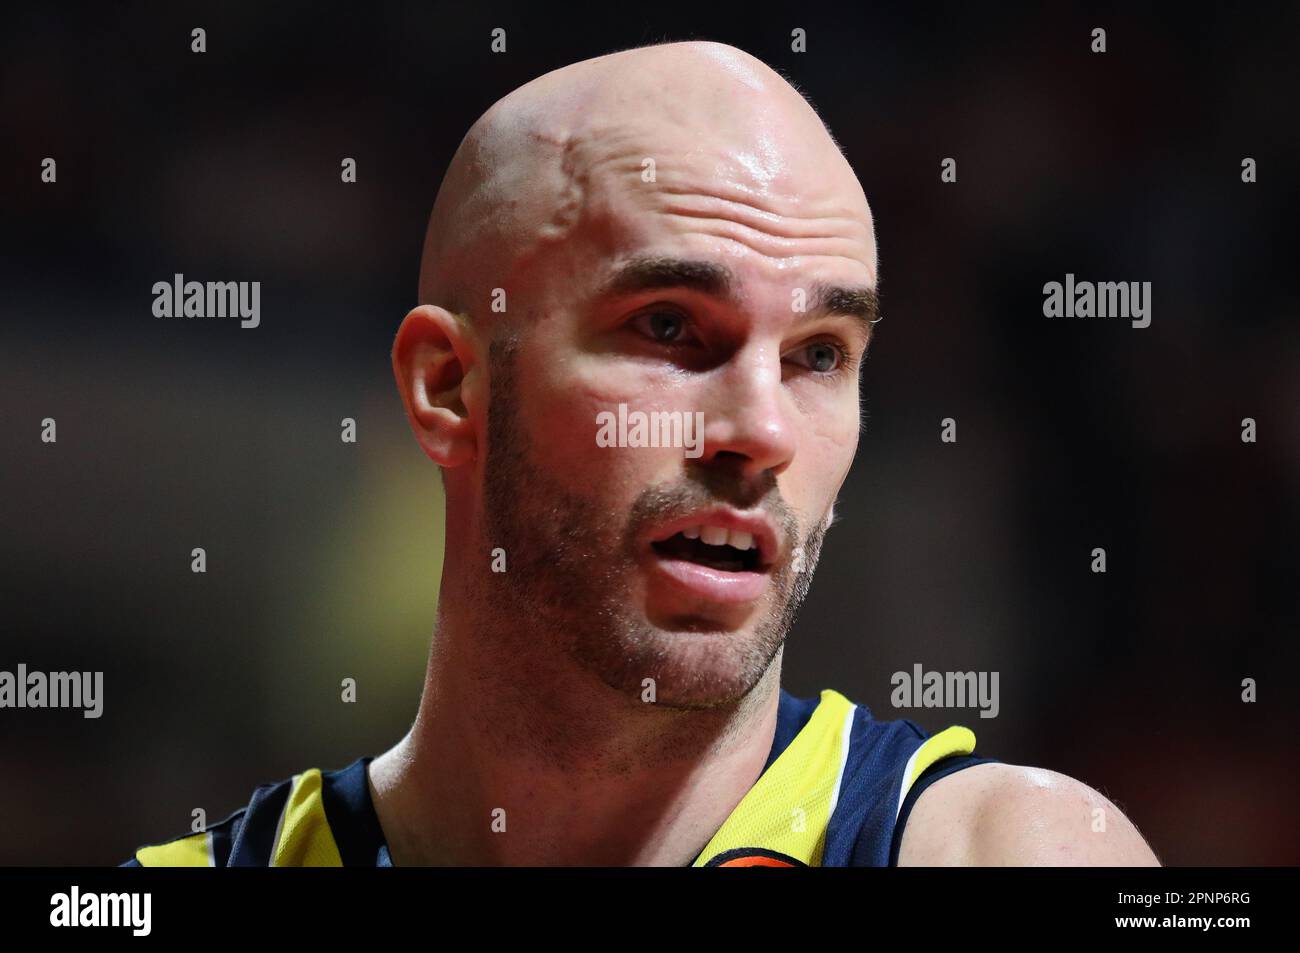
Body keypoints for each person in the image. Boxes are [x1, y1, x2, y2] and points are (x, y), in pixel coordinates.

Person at [123, 40, 1159, 867]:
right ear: (450, 387)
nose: (761, 430)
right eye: (669, 327)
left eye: (818, 353)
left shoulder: (1009, 852)